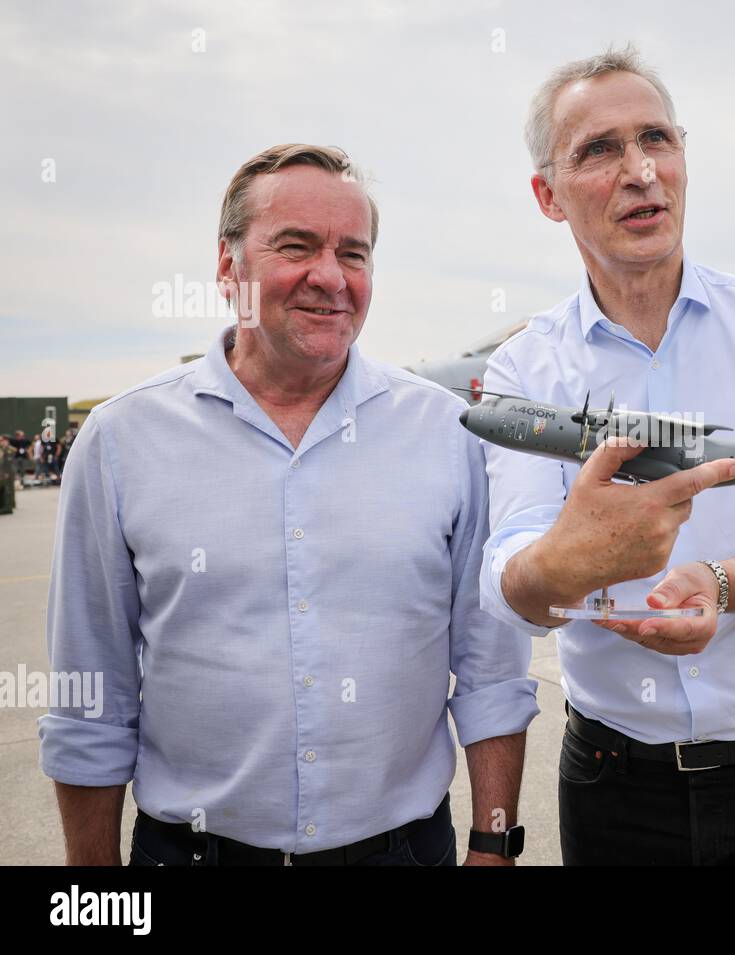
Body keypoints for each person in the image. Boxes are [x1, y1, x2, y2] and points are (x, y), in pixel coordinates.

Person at [39, 144, 538, 866]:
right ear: (226, 267)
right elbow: (91, 695)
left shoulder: (445, 436)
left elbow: (491, 671)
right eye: (296, 246)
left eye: (354, 254)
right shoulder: (121, 442)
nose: (330, 277)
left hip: (401, 851)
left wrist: (493, 846)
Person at [478, 47, 735, 865]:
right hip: (614, 781)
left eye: (657, 138)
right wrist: (566, 560)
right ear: (548, 195)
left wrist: (719, 582)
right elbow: (515, 576)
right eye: (599, 149)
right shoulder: (523, 371)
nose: (642, 171)